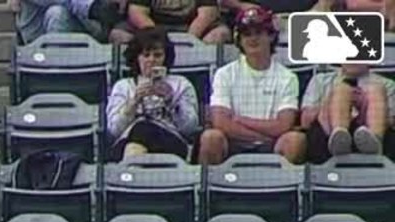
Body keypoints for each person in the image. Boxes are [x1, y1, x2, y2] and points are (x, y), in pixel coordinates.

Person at [198, 7, 307, 166]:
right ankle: (209, 183)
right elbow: (220, 122)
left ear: (271, 36)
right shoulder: (224, 74)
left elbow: (284, 125)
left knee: (296, 140)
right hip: (234, 141)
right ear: (239, 39)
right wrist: (260, 136)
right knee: (211, 138)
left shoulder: (288, 77)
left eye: (258, 33)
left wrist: (240, 120)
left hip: (272, 144)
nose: (252, 39)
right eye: (247, 34)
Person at [105, 27, 202, 160]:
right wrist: (134, 102)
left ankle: (131, 170)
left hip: (170, 141)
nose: (151, 60)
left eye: (157, 55)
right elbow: (114, 131)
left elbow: (190, 128)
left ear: (165, 58)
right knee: (139, 132)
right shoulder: (123, 86)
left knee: (143, 129)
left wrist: (171, 101)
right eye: (146, 55)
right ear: (137, 58)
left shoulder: (181, 84)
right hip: (127, 141)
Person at [301, 62, 395, 160]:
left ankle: (375, 141)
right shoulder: (320, 81)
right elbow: (305, 122)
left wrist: (365, 109)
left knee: (376, 90)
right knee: (341, 90)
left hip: (371, 129)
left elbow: (392, 121)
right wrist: (329, 104)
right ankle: (339, 137)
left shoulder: (387, 84)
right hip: (326, 135)